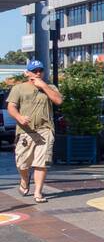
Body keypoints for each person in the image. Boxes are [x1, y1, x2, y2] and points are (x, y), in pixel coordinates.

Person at [7, 59, 62, 203]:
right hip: (25, 131)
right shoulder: (18, 88)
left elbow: (58, 101)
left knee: (41, 163)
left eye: (40, 71)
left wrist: (43, 85)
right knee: (22, 163)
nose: (38, 73)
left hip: (45, 130)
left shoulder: (50, 87)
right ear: (28, 73)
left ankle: (38, 192)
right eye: (34, 71)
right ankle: (24, 180)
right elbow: (11, 107)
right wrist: (19, 117)